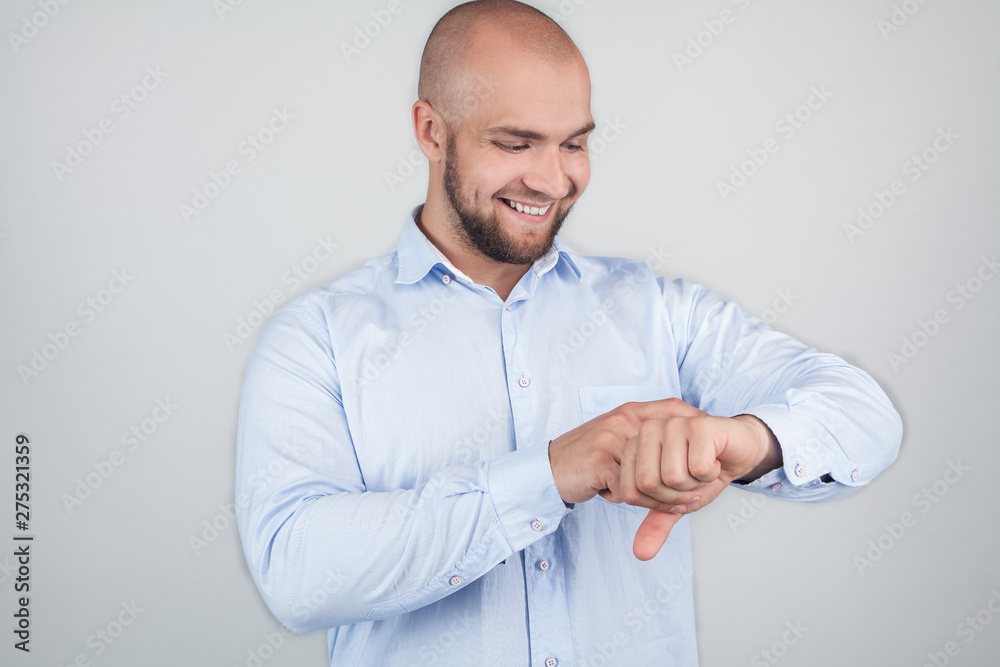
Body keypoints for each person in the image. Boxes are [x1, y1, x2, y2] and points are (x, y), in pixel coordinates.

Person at [235, 1, 902, 664]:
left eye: (574, 143)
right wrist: (549, 475)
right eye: (515, 143)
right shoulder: (315, 338)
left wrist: (741, 440)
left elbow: (864, 414)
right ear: (432, 131)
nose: (554, 180)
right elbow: (296, 572)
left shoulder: (655, 309)